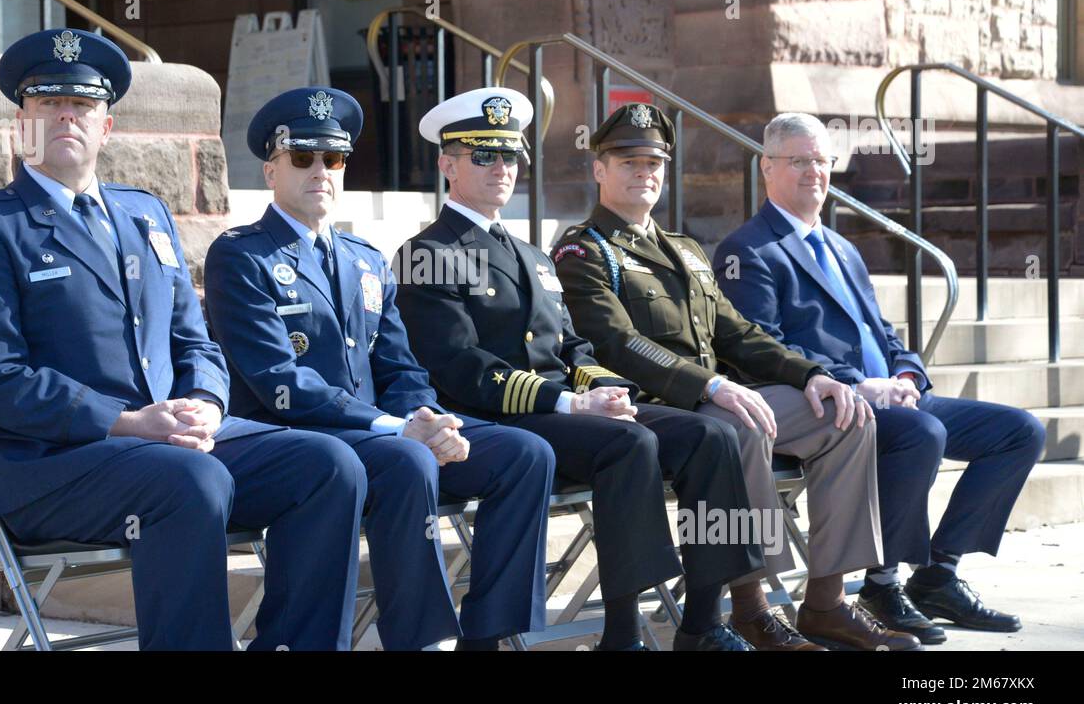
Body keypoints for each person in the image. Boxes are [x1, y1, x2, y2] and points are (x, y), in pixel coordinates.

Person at [0, 30, 365, 650]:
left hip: (171, 442)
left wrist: (207, 406)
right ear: (19, 125)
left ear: (106, 127)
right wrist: (132, 422)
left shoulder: (146, 214)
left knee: (330, 466)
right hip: (51, 463)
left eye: (82, 105)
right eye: (47, 102)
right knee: (192, 482)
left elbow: (197, 344)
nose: (65, 115)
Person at [393, 87, 765, 651]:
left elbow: (573, 347)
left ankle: (704, 622)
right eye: (483, 156)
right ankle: (623, 635)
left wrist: (607, 390)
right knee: (628, 445)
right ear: (448, 165)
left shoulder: (533, 254)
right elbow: (459, 366)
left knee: (710, 435)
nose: (502, 169)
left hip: (570, 410)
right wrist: (569, 402)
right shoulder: (429, 252)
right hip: (497, 418)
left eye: (510, 156)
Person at [551, 103, 921, 651]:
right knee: (742, 424)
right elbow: (615, 343)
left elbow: (740, 333)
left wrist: (813, 375)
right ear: (599, 170)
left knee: (847, 414)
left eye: (653, 163)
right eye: (627, 162)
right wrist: (711, 386)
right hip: (660, 405)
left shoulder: (685, 249)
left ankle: (826, 602)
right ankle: (752, 608)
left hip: (716, 396)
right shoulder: (584, 249)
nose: (643, 173)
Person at [204, 86, 554, 651]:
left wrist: (427, 415)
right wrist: (397, 428)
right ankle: (418, 640)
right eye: (303, 158)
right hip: (297, 440)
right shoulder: (241, 255)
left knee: (524, 454)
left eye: (334, 159)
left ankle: (488, 636)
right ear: (271, 171)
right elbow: (278, 381)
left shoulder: (364, 257)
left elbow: (400, 364)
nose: (321, 170)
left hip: (382, 436)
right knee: (408, 458)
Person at [714, 112, 1045, 639]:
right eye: (798, 160)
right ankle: (882, 584)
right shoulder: (747, 250)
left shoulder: (842, 247)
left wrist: (908, 372)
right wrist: (853, 382)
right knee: (922, 434)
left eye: (822, 160)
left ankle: (938, 574)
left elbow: (884, 333)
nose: (813, 172)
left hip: (891, 395)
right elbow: (760, 344)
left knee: (1019, 432)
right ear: (766, 168)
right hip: (830, 404)